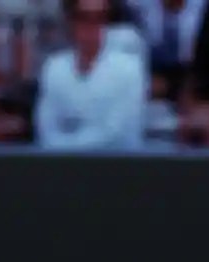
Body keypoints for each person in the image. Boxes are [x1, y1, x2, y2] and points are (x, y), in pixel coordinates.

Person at [34, 0, 146, 151]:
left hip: (116, 169)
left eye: (100, 17)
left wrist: (65, 146)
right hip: (62, 168)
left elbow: (116, 135)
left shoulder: (129, 68)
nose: (92, 25)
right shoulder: (54, 68)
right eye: (84, 17)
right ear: (71, 21)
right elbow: (46, 132)